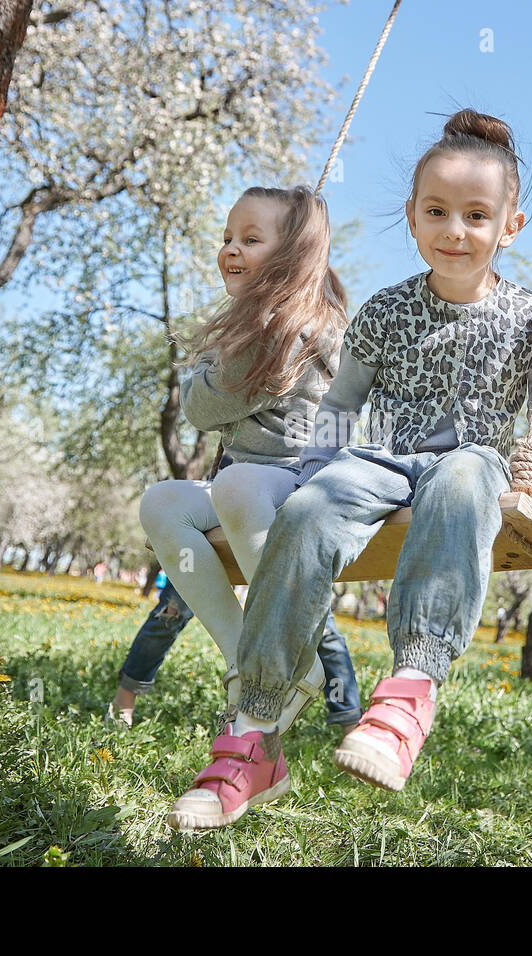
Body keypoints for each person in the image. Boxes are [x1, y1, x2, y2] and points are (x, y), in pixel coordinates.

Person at [168, 109, 532, 830]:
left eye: (476, 216)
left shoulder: (529, 316)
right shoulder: (387, 310)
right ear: (413, 218)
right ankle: (253, 734)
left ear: (509, 227)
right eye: (438, 212)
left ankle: (407, 693)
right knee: (306, 511)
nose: (455, 230)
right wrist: (313, 474)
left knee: (458, 480)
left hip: (472, 461)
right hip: (380, 457)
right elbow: (341, 403)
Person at [135, 185, 359, 746]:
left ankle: (289, 653)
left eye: (251, 239)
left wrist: (204, 368)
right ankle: (247, 663)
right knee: (162, 501)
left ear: (292, 256)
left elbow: (204, 405)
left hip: (299, 482)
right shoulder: (254, 321)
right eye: (227, 237)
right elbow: (205, 406)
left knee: (233, 482)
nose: (231, 249)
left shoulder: (293, 328)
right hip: (248, 484)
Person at [108, 578, 360, 729]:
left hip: (280, 520)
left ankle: (351, 726)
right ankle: (125, 697)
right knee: (172, 611)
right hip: (215, 522)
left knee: (322, 628)